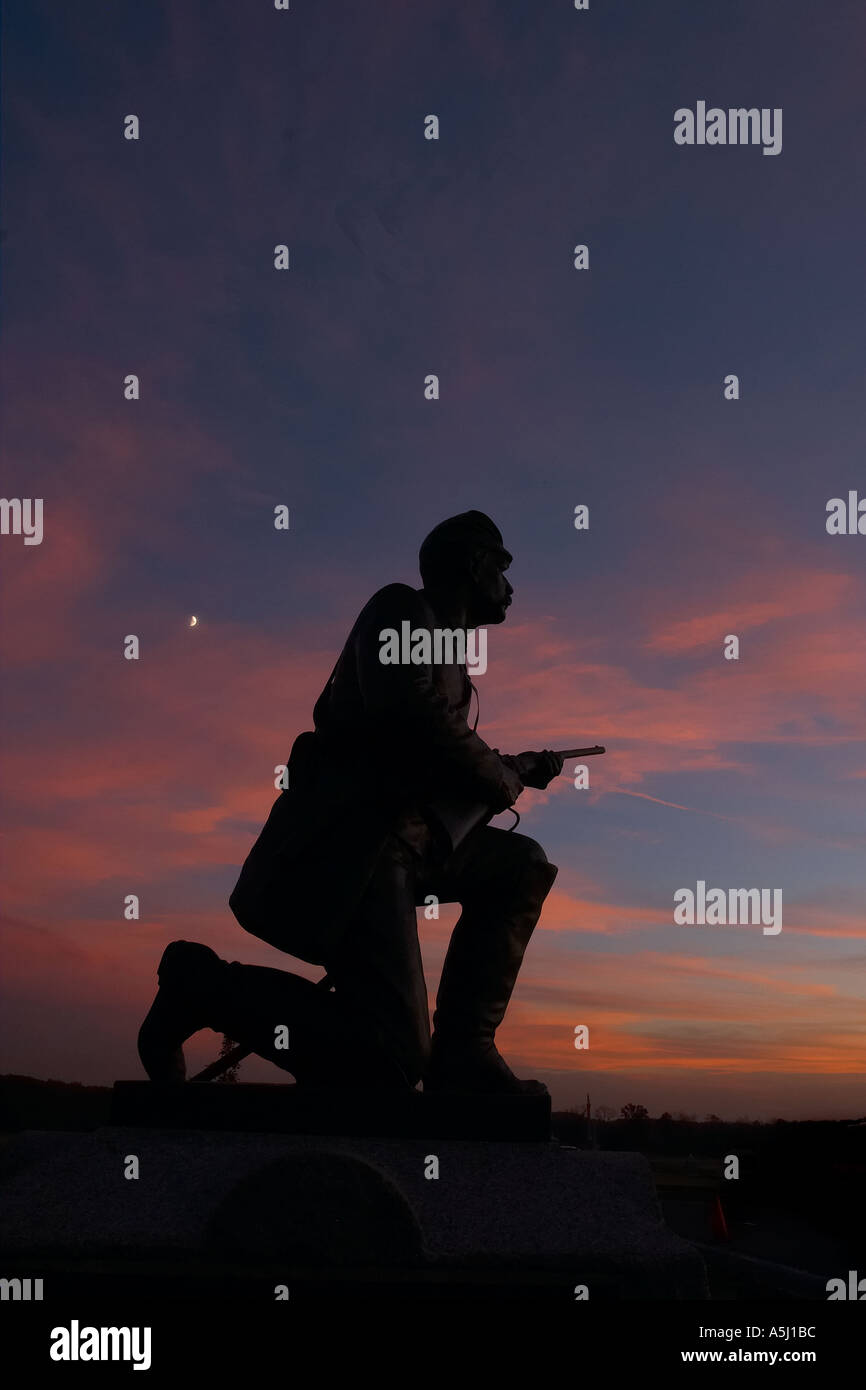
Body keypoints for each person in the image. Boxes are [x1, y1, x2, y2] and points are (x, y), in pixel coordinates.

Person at [138, 511, 561, 1095]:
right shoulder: (400, 609)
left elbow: (427, 753)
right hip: (356, 843)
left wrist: (514, 769)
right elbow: (408, 711)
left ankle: (465, 1051)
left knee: (521, 866)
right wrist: (496, 774)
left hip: (411, 841)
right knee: (388, 1065)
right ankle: (201, 986)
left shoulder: (453, 659)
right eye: (503, 567)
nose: (511, 587)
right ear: (472, 564)